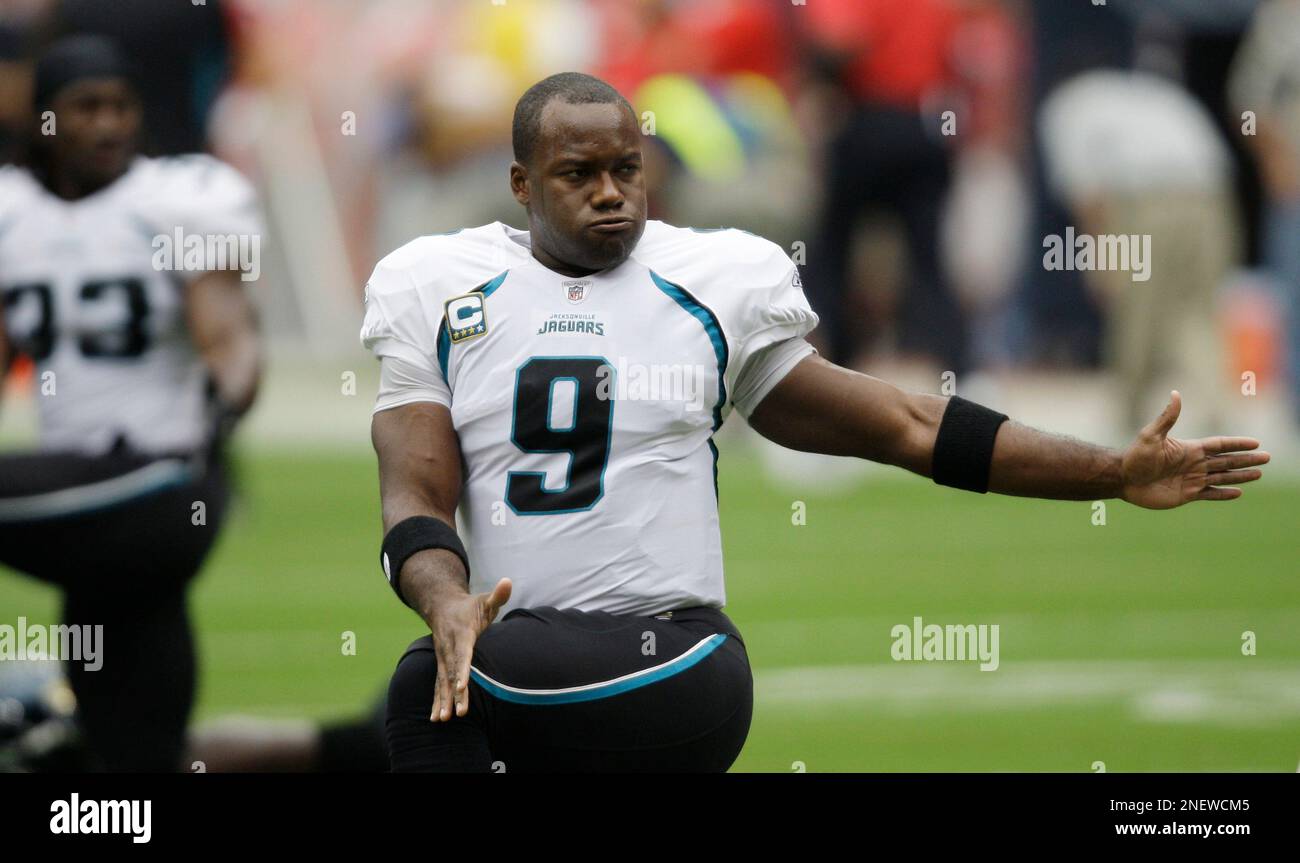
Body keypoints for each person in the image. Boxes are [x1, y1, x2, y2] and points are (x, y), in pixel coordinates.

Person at [365, 72, 1268, 773]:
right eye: (579, 174)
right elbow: (416, 486)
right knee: (454, 673)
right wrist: (446, 598)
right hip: (526, 659)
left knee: (427, 685)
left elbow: (909, 424)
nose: (612, 194)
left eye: (626, 169)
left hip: (676, 661)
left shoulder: (708, 282)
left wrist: (1112, 471)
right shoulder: (443, 284)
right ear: (521, 183)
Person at [0, 35, 261, 771]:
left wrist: (225, 401)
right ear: (44, 119)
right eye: (86, 108)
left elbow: (231, 340)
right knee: (132, 750)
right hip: (79, 501)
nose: (108, 124)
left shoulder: (175, 200)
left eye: (121, 106)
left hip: (161, 482)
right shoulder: (11, 212)